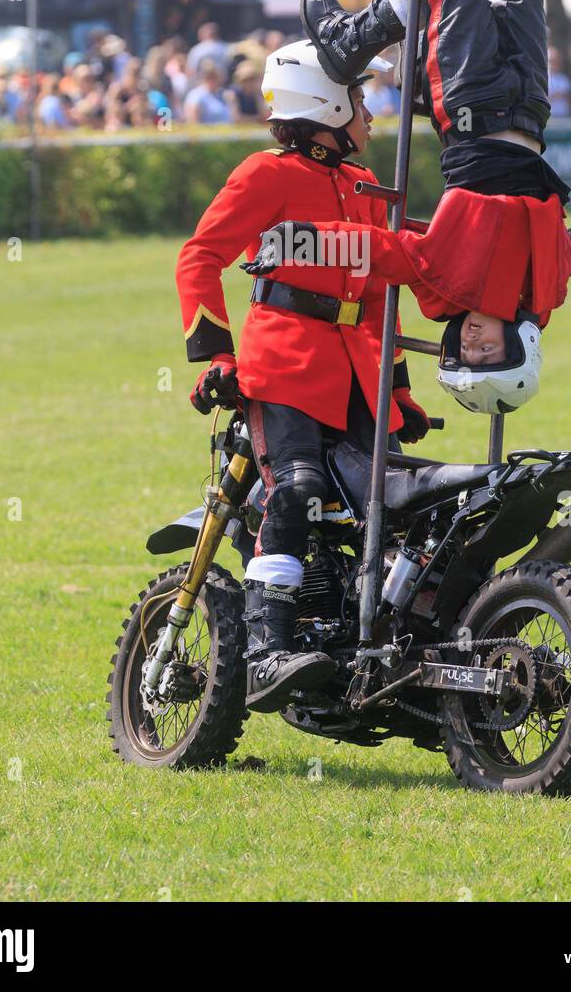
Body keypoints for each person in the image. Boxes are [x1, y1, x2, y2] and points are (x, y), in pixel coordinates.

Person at [248, 0, 571, 415]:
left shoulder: (446, 291)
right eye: (487, 353)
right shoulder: (547, 295)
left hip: (471, 112)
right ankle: (382, 38)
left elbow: (380, 249)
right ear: (520, 343)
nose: (471, 341)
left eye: (465, 354)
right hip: (530, 111)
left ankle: (348, 43)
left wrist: (298, 242)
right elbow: (563, 251)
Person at [175, 41, 430, 713]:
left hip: (354, 373)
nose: (372, 113)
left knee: (394, 505)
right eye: (361, 99)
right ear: (328, 106)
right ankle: (266, 651)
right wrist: (217, 356)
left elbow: (378, 294)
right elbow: (200, 257)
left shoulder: (360, 186)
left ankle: (385, 649)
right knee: (297, 488)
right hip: (281, 365)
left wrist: (397, 388)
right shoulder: (267, 174)